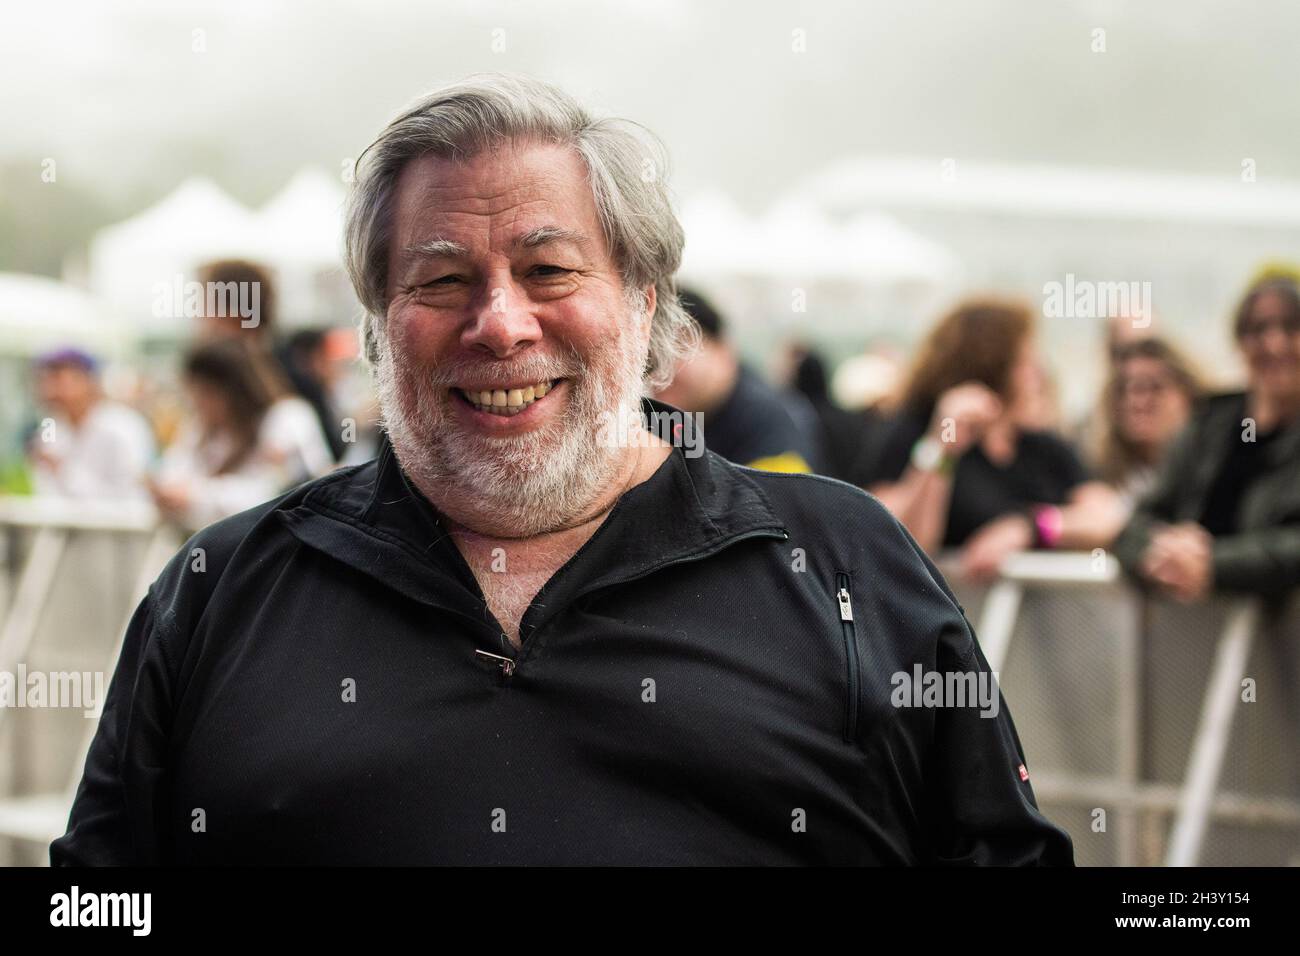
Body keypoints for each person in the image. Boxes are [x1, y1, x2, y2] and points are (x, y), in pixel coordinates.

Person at [53, 74, 1071, 866]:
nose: (499, 322)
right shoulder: (223, 588)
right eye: (441, 278)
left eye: (549, 270)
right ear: (376, 323)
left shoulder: (843, 562)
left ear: (641, 300)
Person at [856, 298, 1125, 582]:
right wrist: (942, 447)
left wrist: (1029, 527)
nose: (1037, 374)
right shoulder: (913, 430)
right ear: (992, 367)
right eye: (1025, 362)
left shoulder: (1040, 445)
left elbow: (1107, 517)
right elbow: (906, 541)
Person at [1113, 274, 1300, 601]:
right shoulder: (1210, 425)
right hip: (1190, 637)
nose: (1273, 344)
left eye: (1290, 327)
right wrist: (1158, 553)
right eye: (1257, 329)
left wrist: (1215, 564)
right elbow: (1138, 522)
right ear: (1241, 341)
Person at [151, 338, 323, 530]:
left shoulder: (287, 419)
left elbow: (276, 494)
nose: (199, 403)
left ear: (238, 390)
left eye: (207, 393)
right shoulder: (202, 427)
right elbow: (173, 470)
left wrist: (195, 495)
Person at [655, 288, 820, 473]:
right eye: (650, 352)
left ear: (722, 348)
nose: (658, 368)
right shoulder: (677, 419)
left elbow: (775, 497)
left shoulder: (769, 422)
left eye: (675, 350)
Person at [1088, 338, 1205, 510]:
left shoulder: (1212, 475)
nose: (1135, 401)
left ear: (1188, 396)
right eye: (1123, 389)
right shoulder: (1099, 481)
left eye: (1153, 387)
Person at [26, 347, 154, 503]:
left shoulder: (123, 426)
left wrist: (64, 471)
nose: (50, 389)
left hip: (116, 525)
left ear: (89, 381)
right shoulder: (49, 427)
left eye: (59, 378)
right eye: (46, 379)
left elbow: (131, 493)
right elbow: (45, 490)